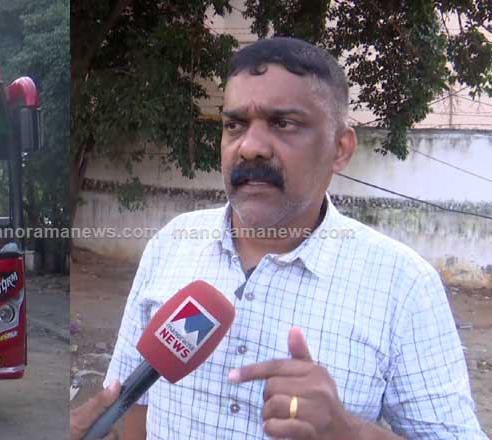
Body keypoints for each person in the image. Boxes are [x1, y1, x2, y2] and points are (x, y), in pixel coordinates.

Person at [85, 37, 486, 439]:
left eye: (284, 124)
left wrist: (347, 432)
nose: (252, 147)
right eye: (234, 125)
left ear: (340, 149)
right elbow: (134, 401)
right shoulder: (172, 244)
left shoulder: (404, 285)